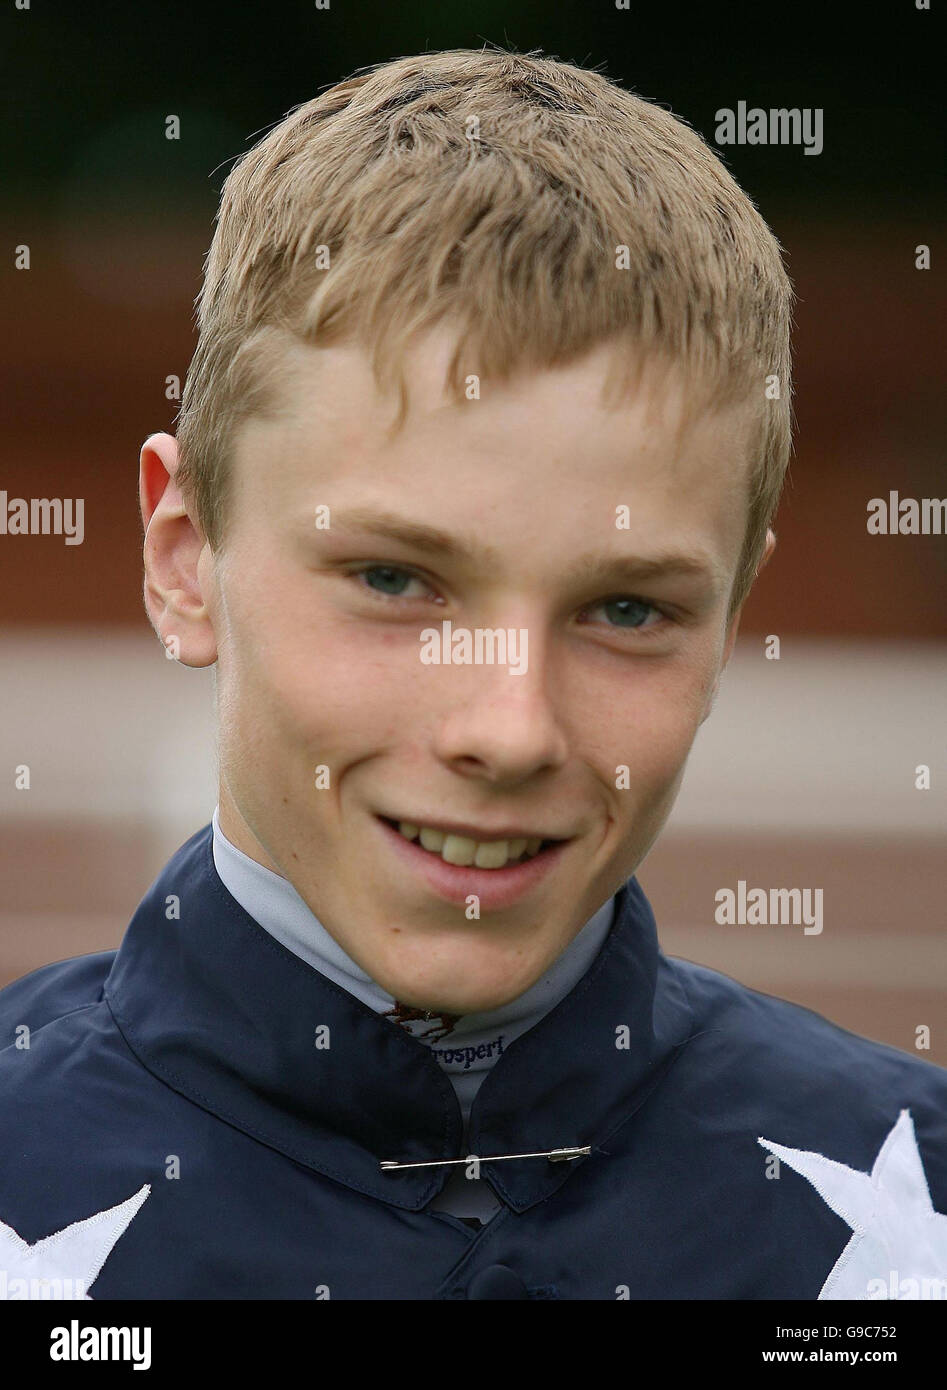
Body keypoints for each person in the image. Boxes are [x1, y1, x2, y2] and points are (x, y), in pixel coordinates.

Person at [1, 48, 944, 1302]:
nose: (509, 729)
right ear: (184, 562)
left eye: (625, 608)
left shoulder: (911, 1204)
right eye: (395, 581)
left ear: (729, 623)